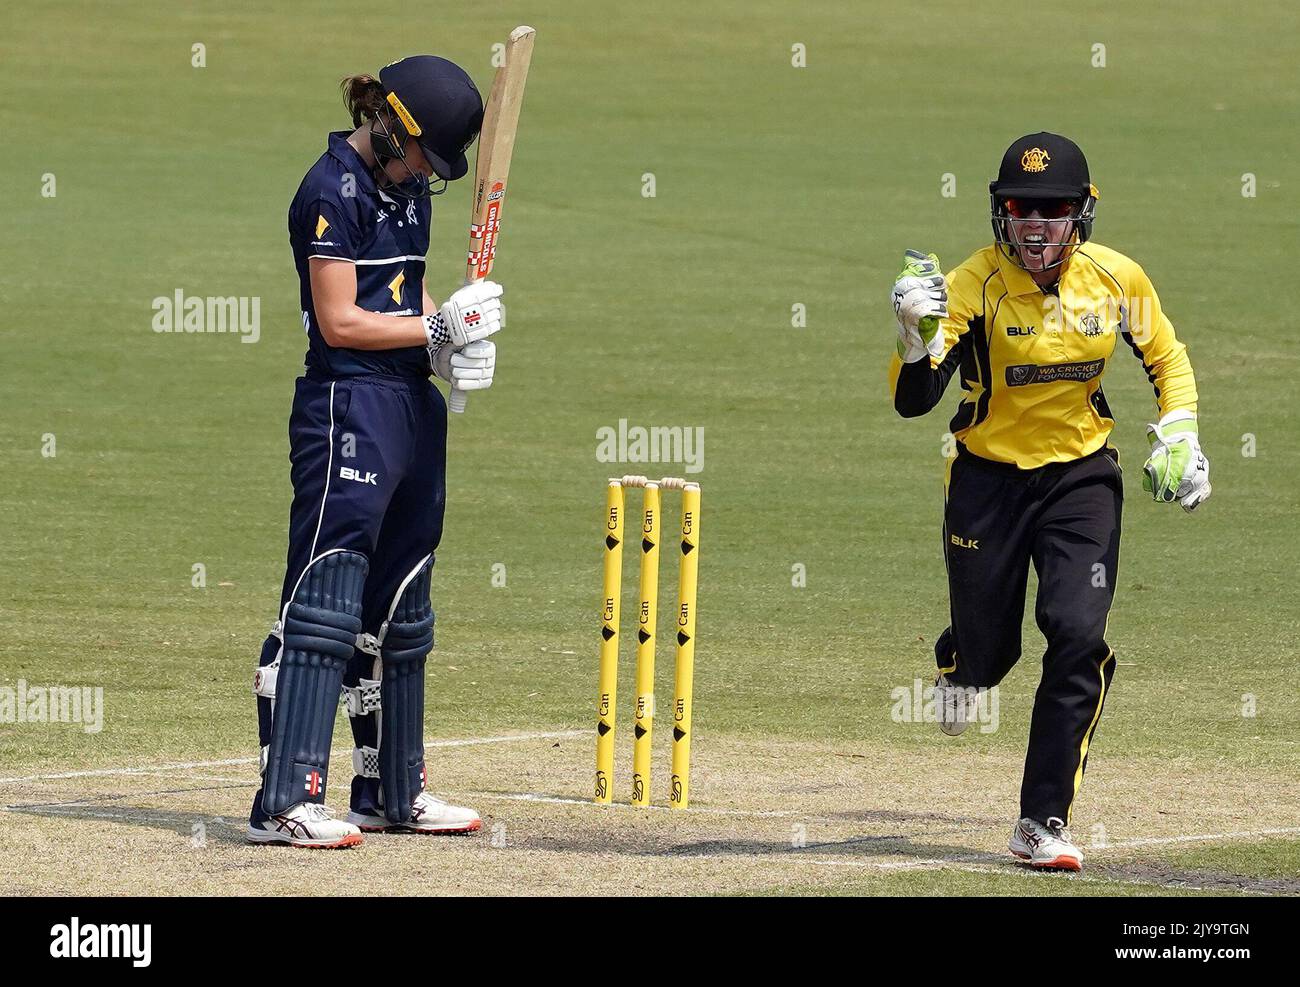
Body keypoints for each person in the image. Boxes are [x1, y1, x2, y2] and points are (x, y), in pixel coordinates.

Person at [887, 132, 1211, 871]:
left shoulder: (1115, 277)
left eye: (1054, 208)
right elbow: (916, 401)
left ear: (1083, 213)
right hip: (987, 481)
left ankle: (1041, 819)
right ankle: (962, 666)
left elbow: (1167, 355)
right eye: (1019, 208)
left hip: (1080, 480)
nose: (1036, 224)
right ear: (999, 214)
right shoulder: (971, 285)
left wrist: (1183, 432)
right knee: (991, 652)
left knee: (1076, 633)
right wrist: (912, 340)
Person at [246, 55, 503, 847]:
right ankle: (284, 799)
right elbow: (339, 320)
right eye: (429, 153)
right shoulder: (331, 189)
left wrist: (449, 340)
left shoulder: (408, 185)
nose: (433, 171)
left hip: (410, 408)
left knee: (403, 605)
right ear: (392, 126)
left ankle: (392, 790)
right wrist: (430, 332)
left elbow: (406, 288)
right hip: (346, 403)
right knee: (326, 598)